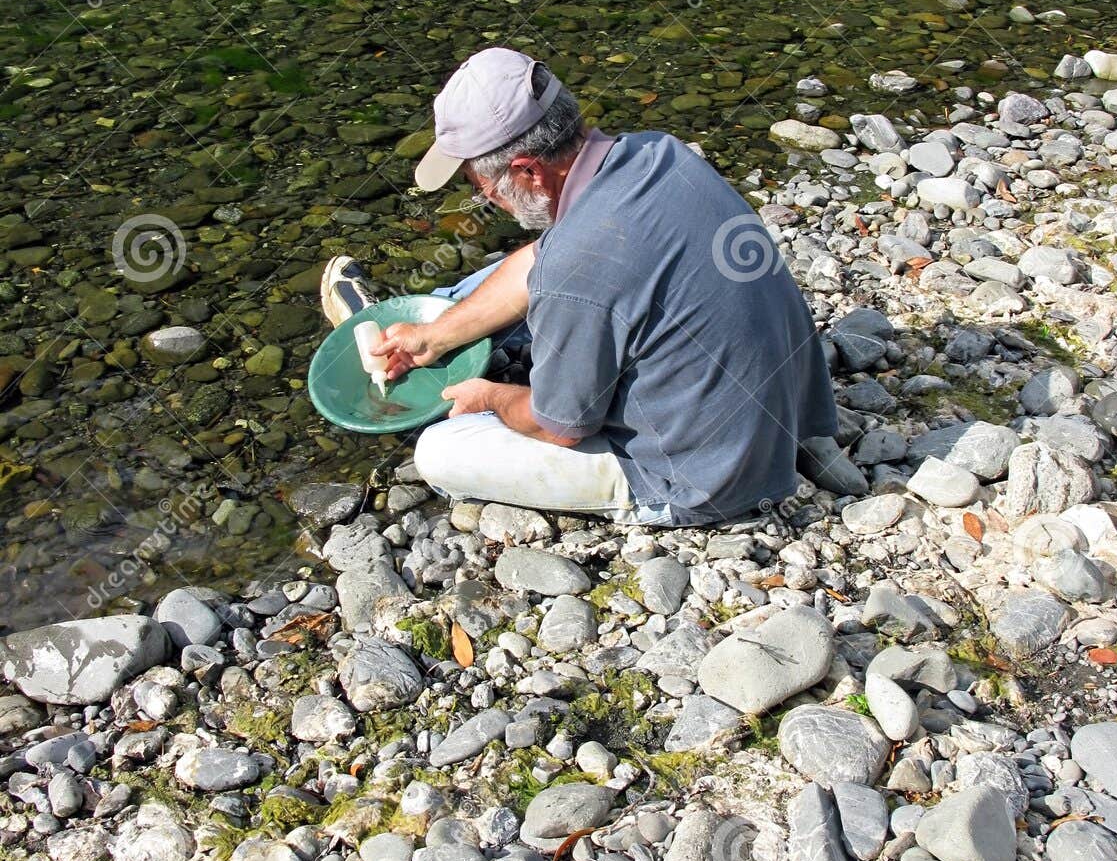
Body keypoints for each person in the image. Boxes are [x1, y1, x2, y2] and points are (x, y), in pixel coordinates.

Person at [320, 46, 841, 525]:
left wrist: (491, 397)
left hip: (705, 478)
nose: (485, 203)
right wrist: (435, 336)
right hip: (789, 410)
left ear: (527, 172)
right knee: (534, 262)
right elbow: (544, 263)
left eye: (480, 191)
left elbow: (557, 428)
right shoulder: (658, 152)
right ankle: (428, 325)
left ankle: (435, 338)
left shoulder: (578, 267)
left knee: (439, 451)